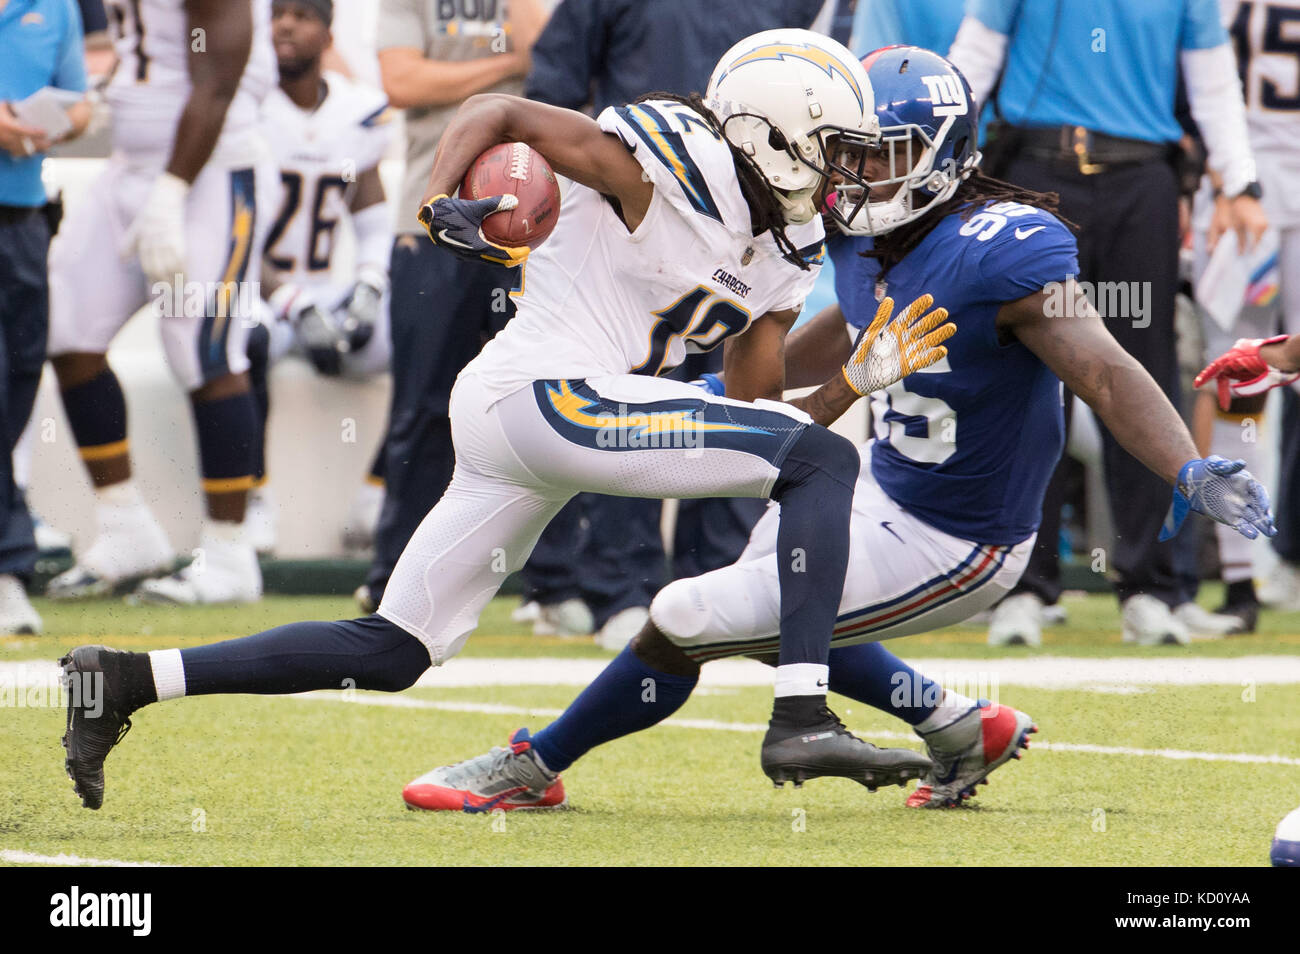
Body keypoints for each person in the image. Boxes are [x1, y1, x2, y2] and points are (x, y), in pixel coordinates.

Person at [57, 29, 959, 811]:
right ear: (774, 131)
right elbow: (501, 111)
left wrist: (848, 381)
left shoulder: (783, 244)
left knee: (393, 648)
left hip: (547, 418)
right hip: (545, 393)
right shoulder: (673, 161)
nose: (851, 170)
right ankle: (802, 715)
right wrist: (442, 199)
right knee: (819, 463)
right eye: (838, 146)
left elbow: (753, 410)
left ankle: (126, 679)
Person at [401, 47, 1276, 814]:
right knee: (777, 610)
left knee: (691, 612)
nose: (853, 177)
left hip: (958, 539)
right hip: (870, 484)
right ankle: (963, 724)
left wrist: (1189, 469)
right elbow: (806, 352)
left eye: (882, 156)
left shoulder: (1001, 247)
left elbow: (1107, 372)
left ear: (938, 158)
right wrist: (682, 391)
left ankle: (534, 765)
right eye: (848, 153)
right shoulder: (860, 242)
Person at [946, 0, 1269, 647]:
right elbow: (971, 62)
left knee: (1144, 376)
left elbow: (1211, 80)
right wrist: (942, 162)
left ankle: (1149, 588)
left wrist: (1240, 183)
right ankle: (1022, 585)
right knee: (1028, 376)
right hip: (1036, 177)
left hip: (1140, 184)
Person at [518, 0, 835, 649]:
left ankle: (716, 581)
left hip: (752, 226)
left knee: (731, 405)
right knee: (634, 399)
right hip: (641, 218)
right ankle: (622, 590)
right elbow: (555, 89)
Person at [44, 0, 277, 605]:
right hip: (129, 166)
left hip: (209, 173)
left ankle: (230, 554)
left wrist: (171, 192)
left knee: (204, 351)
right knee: (65, 328)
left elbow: (219, 78)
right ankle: (126, 530)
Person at [358, 0, 548, 613]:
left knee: (539, 400)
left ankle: (552, 583)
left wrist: (504, 67)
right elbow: (403, 82)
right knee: (421, 403)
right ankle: (394, 573)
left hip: (531, 228)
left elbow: (548, 60)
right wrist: (505, 74)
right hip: (431, 218)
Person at [241, 0, 395, 556]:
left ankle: (379, 498)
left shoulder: (356, 112)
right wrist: (293, 304)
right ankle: (251, 500)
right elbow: (229, 233)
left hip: (326, 291)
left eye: (302, 14)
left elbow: (374, 221)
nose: (286, 24)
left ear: (328, 32)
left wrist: (369, 287)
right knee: (241, 340)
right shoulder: (243, 106)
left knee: (428, 340)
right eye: (277, 13)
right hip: (256, 290)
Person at [1191, 0, 1300, 628]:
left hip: (1240, 197)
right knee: (1241, 383)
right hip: (1244, 197)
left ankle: (1242, 580)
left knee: (1241, 384)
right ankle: (1242, 576)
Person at [0, 0, 93, 632]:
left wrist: (56, 124)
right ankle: (8, 567)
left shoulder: (55, 6)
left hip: (25, 213)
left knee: (21, 377)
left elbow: (81, 101)